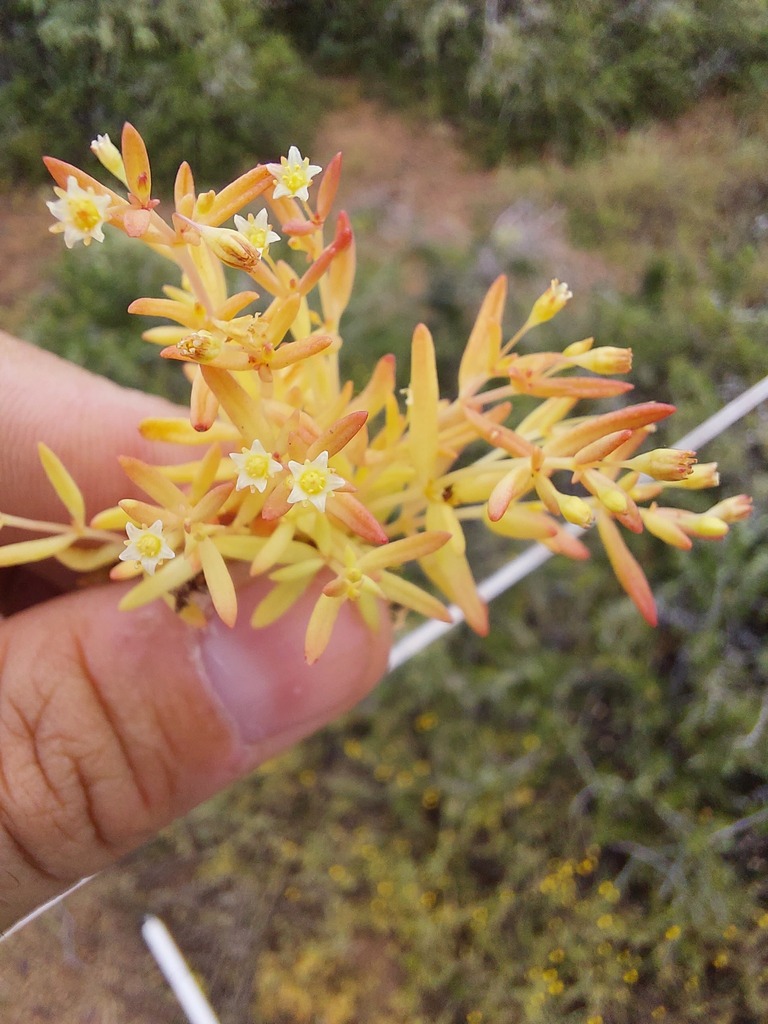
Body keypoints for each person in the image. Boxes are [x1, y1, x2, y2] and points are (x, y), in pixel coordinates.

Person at [0, 333, 391, 932]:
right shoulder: (206, 509)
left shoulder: (298, 485)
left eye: (303, 480)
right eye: (282, 474)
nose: (271, 471)